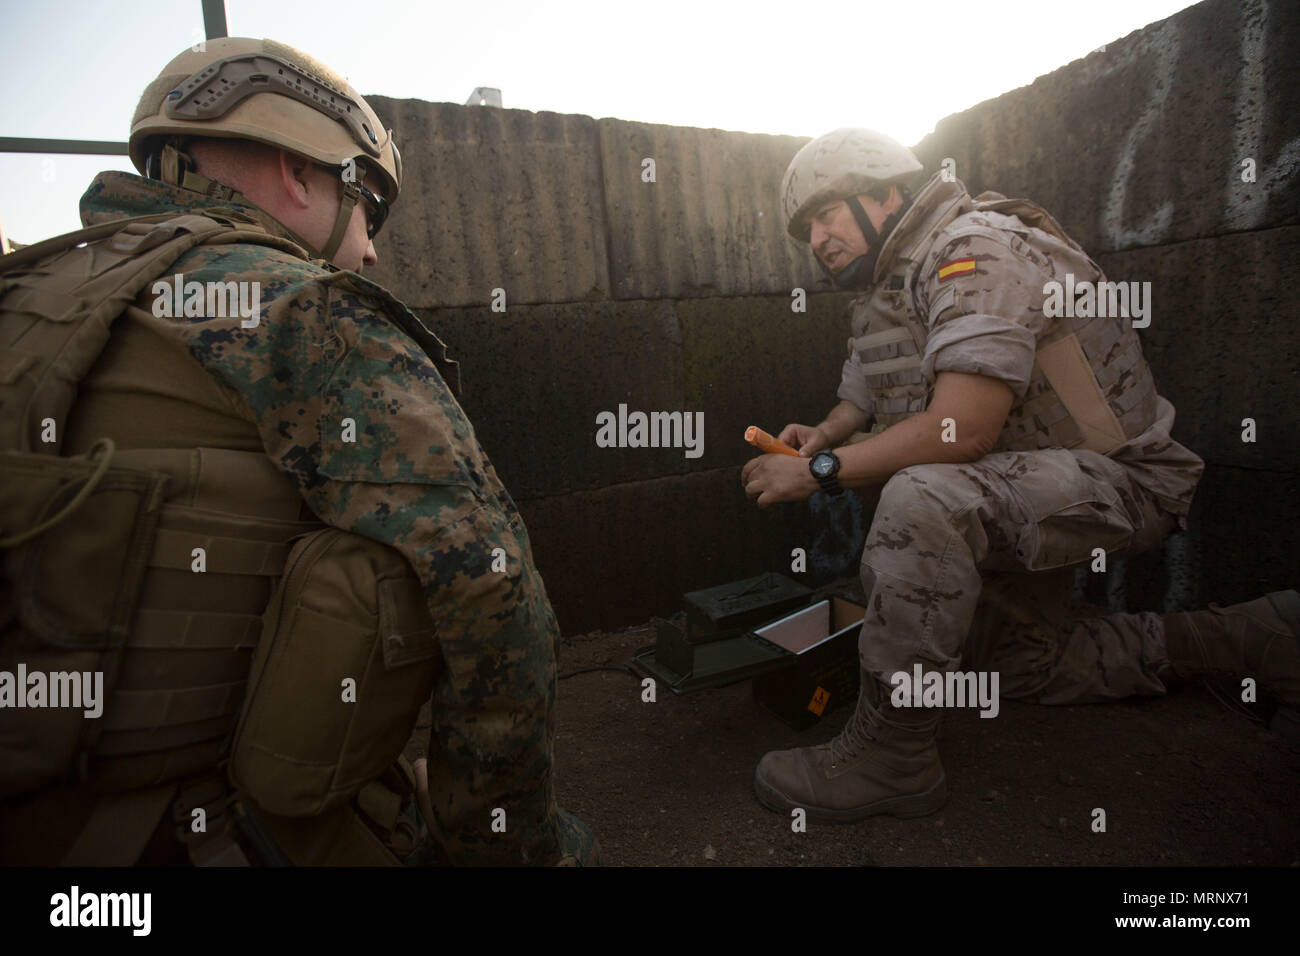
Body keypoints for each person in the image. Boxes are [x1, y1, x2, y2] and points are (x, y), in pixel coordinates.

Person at [0, 37, 598, 866]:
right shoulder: (298, 311)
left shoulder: (31, 291)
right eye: (371, 207)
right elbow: (494, 596)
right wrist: (507, 841)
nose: (373, 248)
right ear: (302, 171)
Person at [741, 127, 1299, 823]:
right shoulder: (888, 288)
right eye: (806, 227)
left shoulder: (970, 250)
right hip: (1026, 485)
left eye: (827, 213)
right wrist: (821, 435)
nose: (817, 236)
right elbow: (864, 392)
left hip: (1121, 481)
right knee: (1014, 668)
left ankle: (892, 756)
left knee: (921, 494)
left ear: (886, 196)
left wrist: (820, 473)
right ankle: (1254, 639)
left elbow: (962, 429)